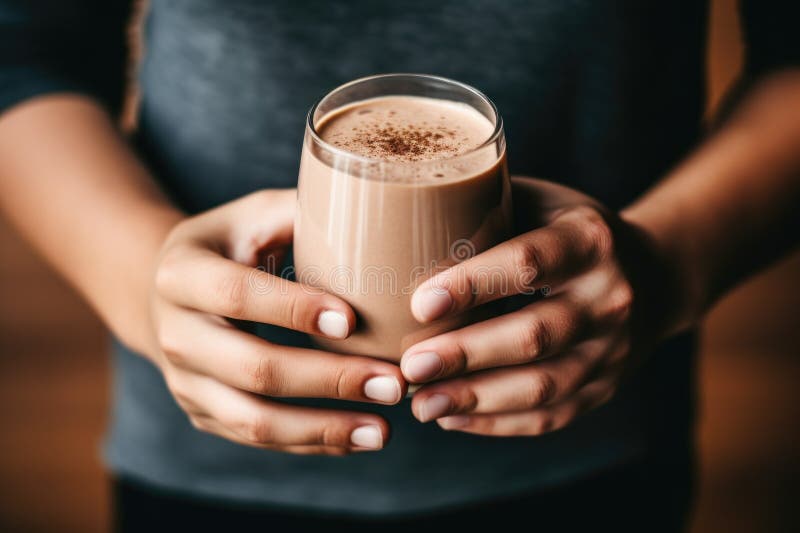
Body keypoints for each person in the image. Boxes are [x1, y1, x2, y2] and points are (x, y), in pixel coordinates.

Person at [1, 1, 797, 531]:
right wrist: (143, 278)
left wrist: (666, 267)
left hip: (589, 415)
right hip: (216, 432)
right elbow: (21, 51)